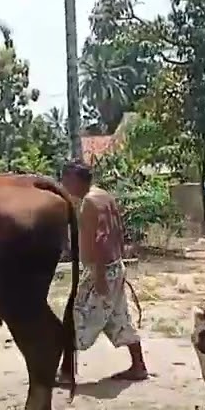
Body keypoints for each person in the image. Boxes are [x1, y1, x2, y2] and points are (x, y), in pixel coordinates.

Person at [58, 160, 148, 383]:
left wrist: (98, 274)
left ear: (76, 180)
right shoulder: (104, 196)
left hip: (101, 270)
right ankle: (139, 366)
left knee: (74, 317)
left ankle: (67, 372)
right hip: (114, 267)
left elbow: (101, 237)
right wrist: (115, 265)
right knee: (120, 319)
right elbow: (117, 230)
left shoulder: (89, 201)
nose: (63, 184)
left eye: (66, 179)